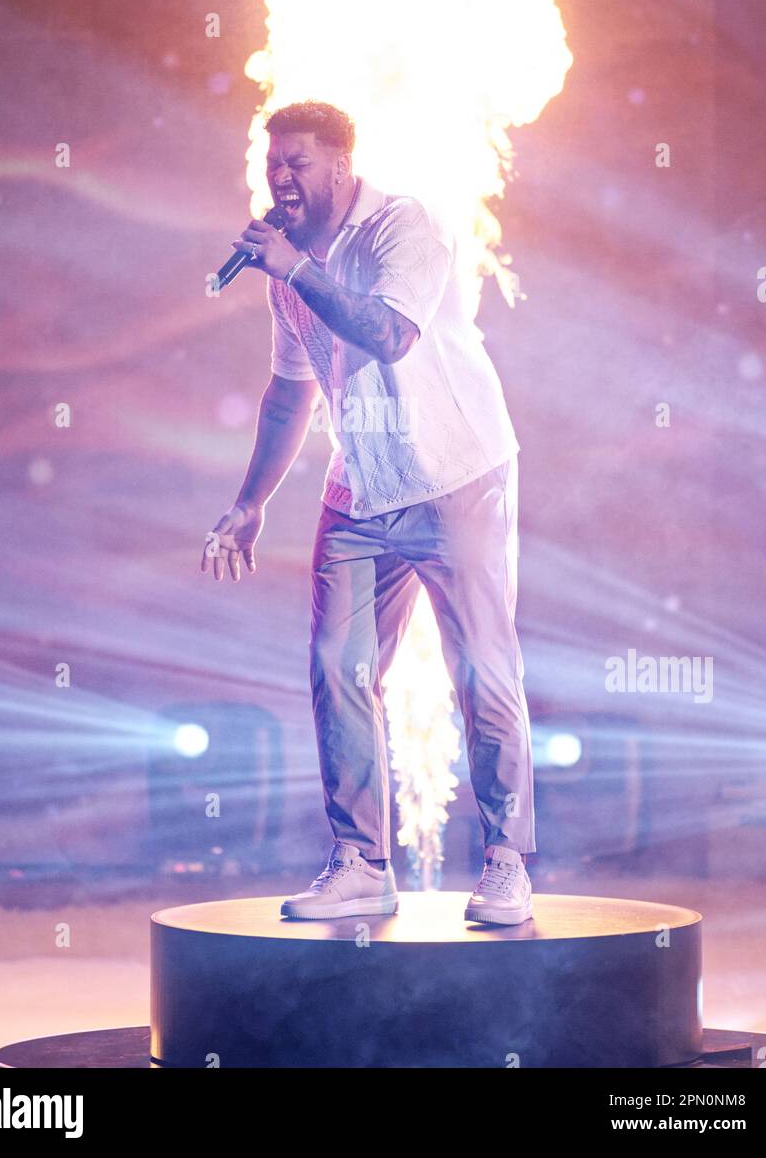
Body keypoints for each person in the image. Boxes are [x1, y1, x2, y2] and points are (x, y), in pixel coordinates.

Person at [201, 100, 535, 926]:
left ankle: (504, 861)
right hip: (362, 488)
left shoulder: (402, 228)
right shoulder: (289, 271)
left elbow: (388, 334)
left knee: (482, 670)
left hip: (456, 474)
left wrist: (296, 270)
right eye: (274, 163)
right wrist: (249, 503)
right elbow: (290, 393)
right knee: (336, 667)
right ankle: (359, 860)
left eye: (299, 163)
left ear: (342, 167)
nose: (281, 177)